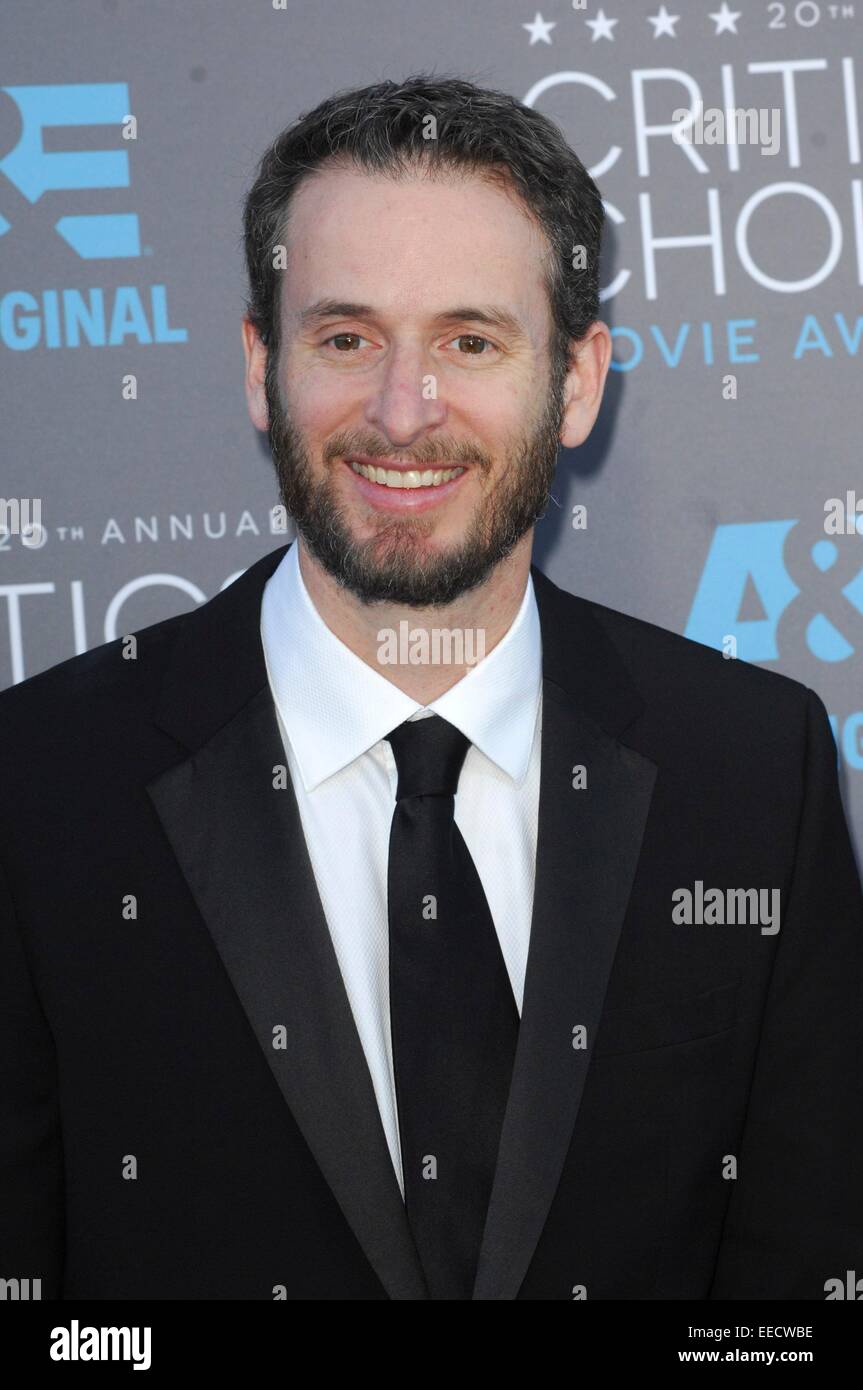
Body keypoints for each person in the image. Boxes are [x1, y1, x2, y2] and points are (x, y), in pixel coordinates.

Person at [1, 75, 861, 1301]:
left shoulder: (746, 769)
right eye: (345, 338)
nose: (403, 413)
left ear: (574, 383)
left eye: (470, 340)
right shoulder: (42, 788)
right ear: (261, 368)